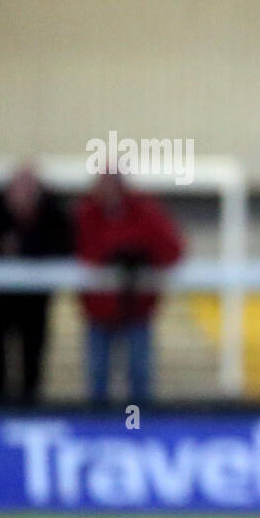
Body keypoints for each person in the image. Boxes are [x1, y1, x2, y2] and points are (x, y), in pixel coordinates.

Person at [74, 166, 184, 404]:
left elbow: (172, 249)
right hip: (99, 313)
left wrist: (138, 256)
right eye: (105, 184)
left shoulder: (145, 212)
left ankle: (139, 432)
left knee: (140, 378)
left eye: (114, 184)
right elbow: (76, 254)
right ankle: (98, 431)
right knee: (97, 379)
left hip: (137, 311)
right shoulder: (86, 214)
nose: (110, 190)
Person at [0, 164, 73, 404]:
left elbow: (62, 246)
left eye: (29, 192)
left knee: (32, 362)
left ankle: (28, 411)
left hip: (34, 303)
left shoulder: (52, 213)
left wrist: (24, 247)